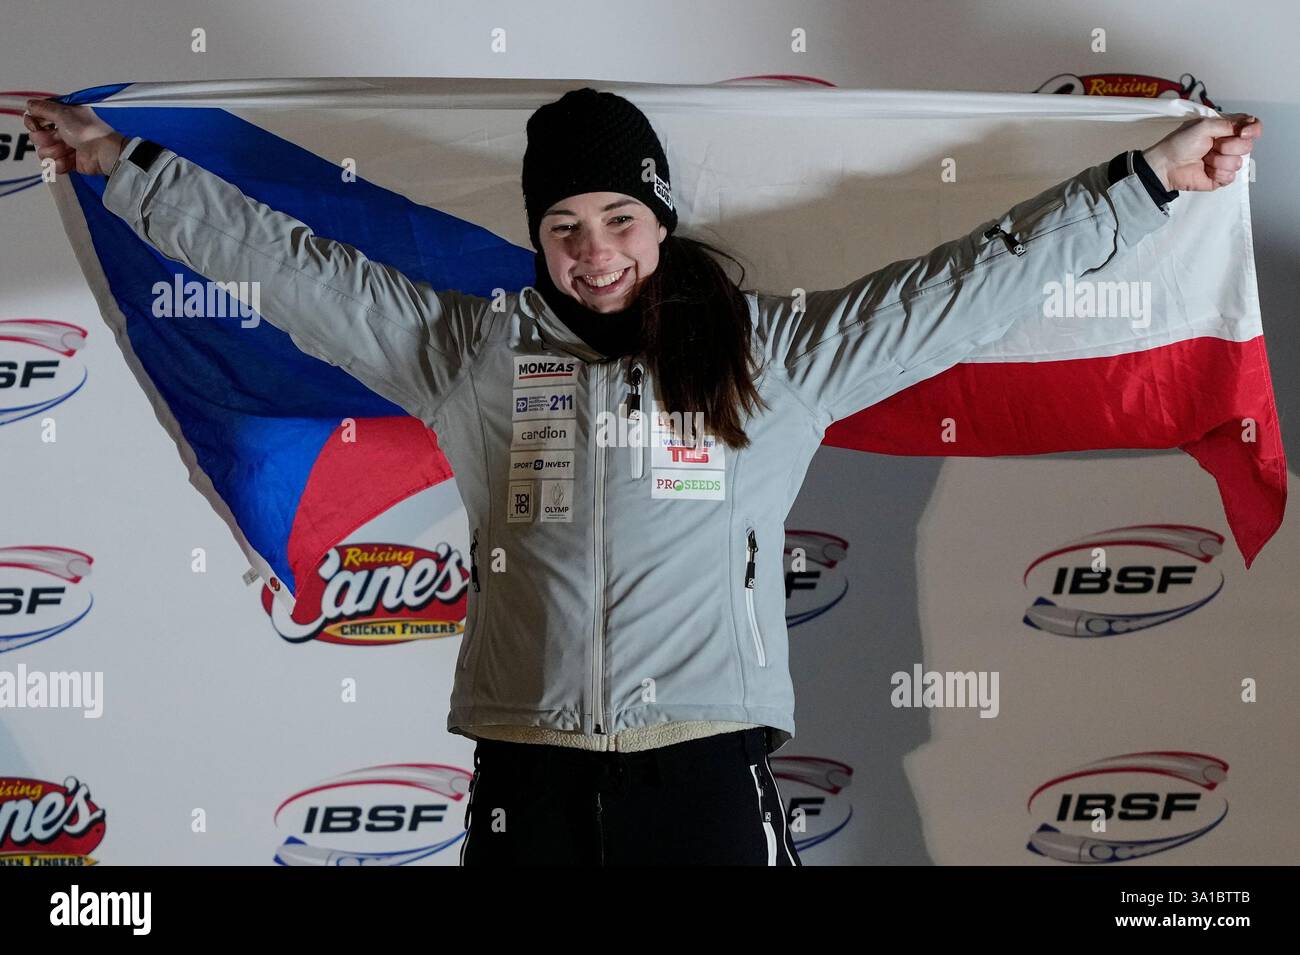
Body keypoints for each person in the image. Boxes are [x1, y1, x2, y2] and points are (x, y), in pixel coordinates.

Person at [25, 88, 1261, 866]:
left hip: (702, 762)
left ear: (658, 219)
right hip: (526, 763)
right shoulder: (470, 354)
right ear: (537, 240)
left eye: (616, 217)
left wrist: (1149, 181)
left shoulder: (777, 353)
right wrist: (126, 166)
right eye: (562, 226)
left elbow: (971, 280)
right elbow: (289, 265)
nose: (592, 251)